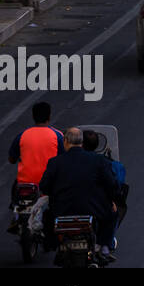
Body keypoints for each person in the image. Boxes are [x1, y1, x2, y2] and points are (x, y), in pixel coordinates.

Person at [39, 127, 119, 262]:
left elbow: (44, 187)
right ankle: (104, 246)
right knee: (112, 214)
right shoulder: (98, 160)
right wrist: (112, 200)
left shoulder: (55, 162)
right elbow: (112, 185)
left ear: (65, 141)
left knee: (46, 217)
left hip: (61, 211)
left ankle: (53, 244)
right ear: (81, 143)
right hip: (93, 210)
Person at [8, 101, 62, 224]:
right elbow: (65, 159)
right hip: (49, 183)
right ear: (49, 116)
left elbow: (11, 160)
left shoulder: (22, 135)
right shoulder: (57, 136)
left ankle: (15, 212)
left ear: (33, 117)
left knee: (15, 186)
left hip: (25, 184)